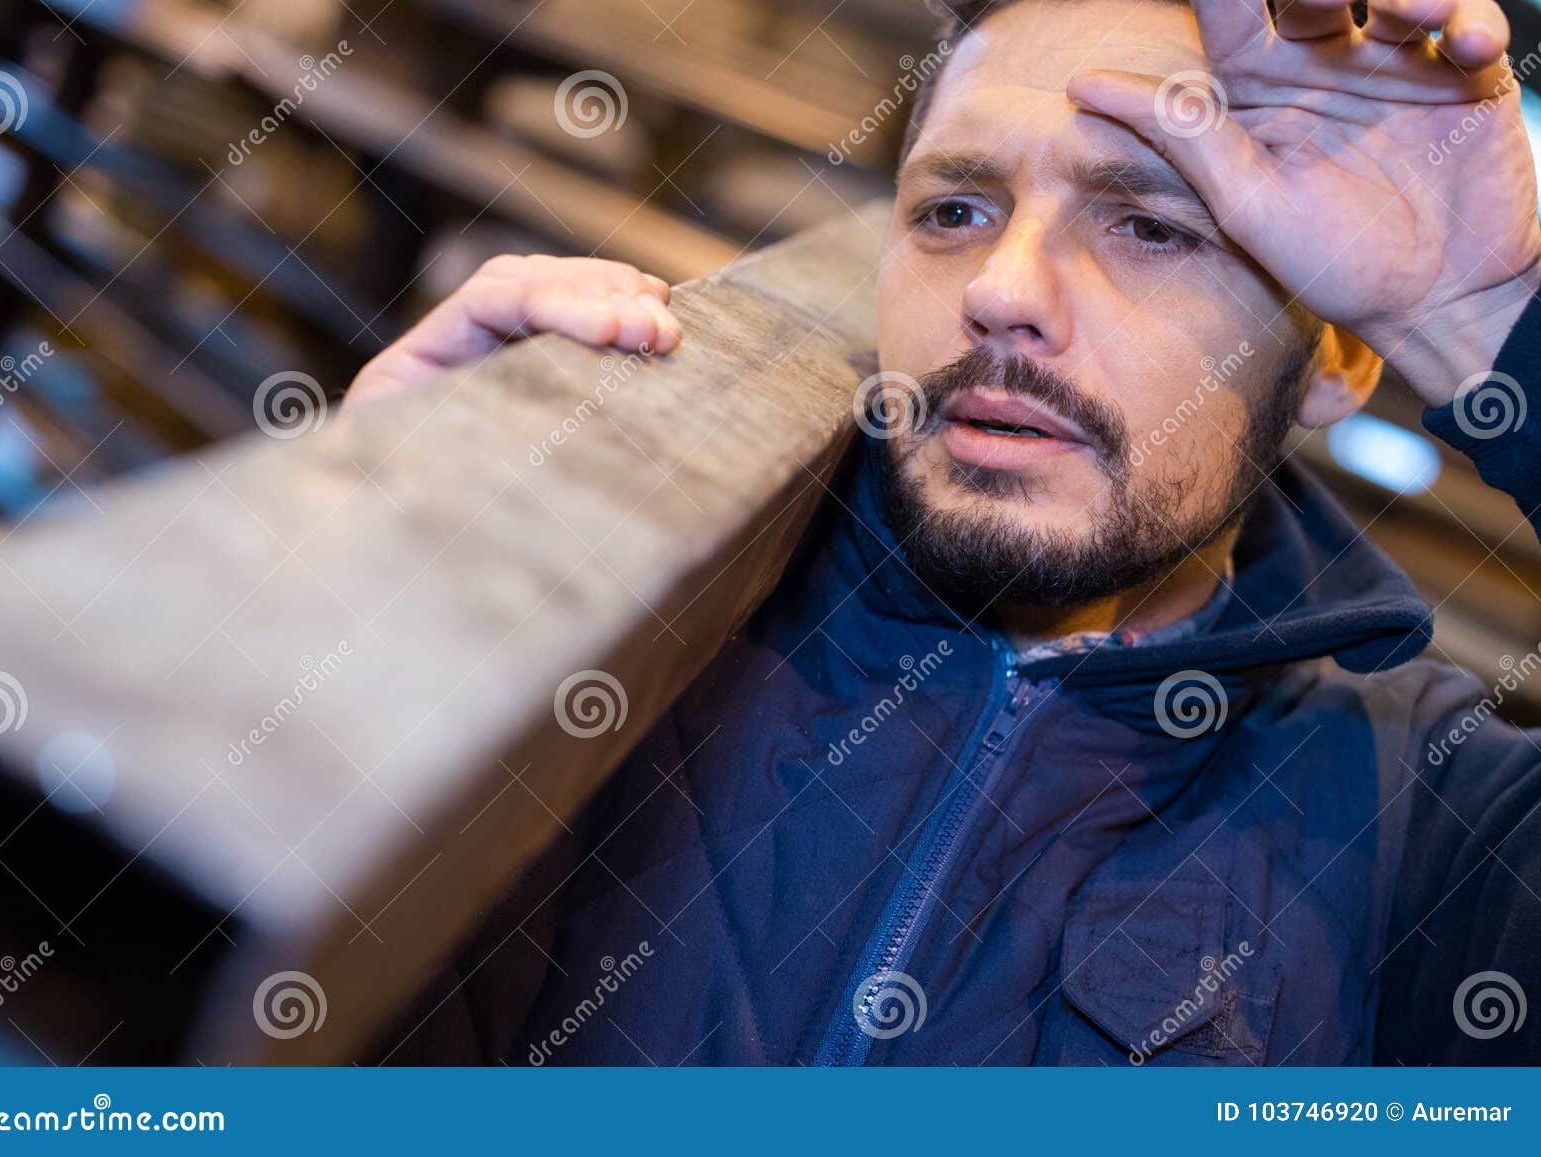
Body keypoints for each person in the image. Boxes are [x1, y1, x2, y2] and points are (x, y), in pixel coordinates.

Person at [352, 0, 1541, 1065]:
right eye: (953, 210)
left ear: (1338, 355)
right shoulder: (619, 595)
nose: (1000, 290)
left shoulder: (1426, 834)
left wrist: (1484, 319)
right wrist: (350, 579)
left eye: (1150, 227)